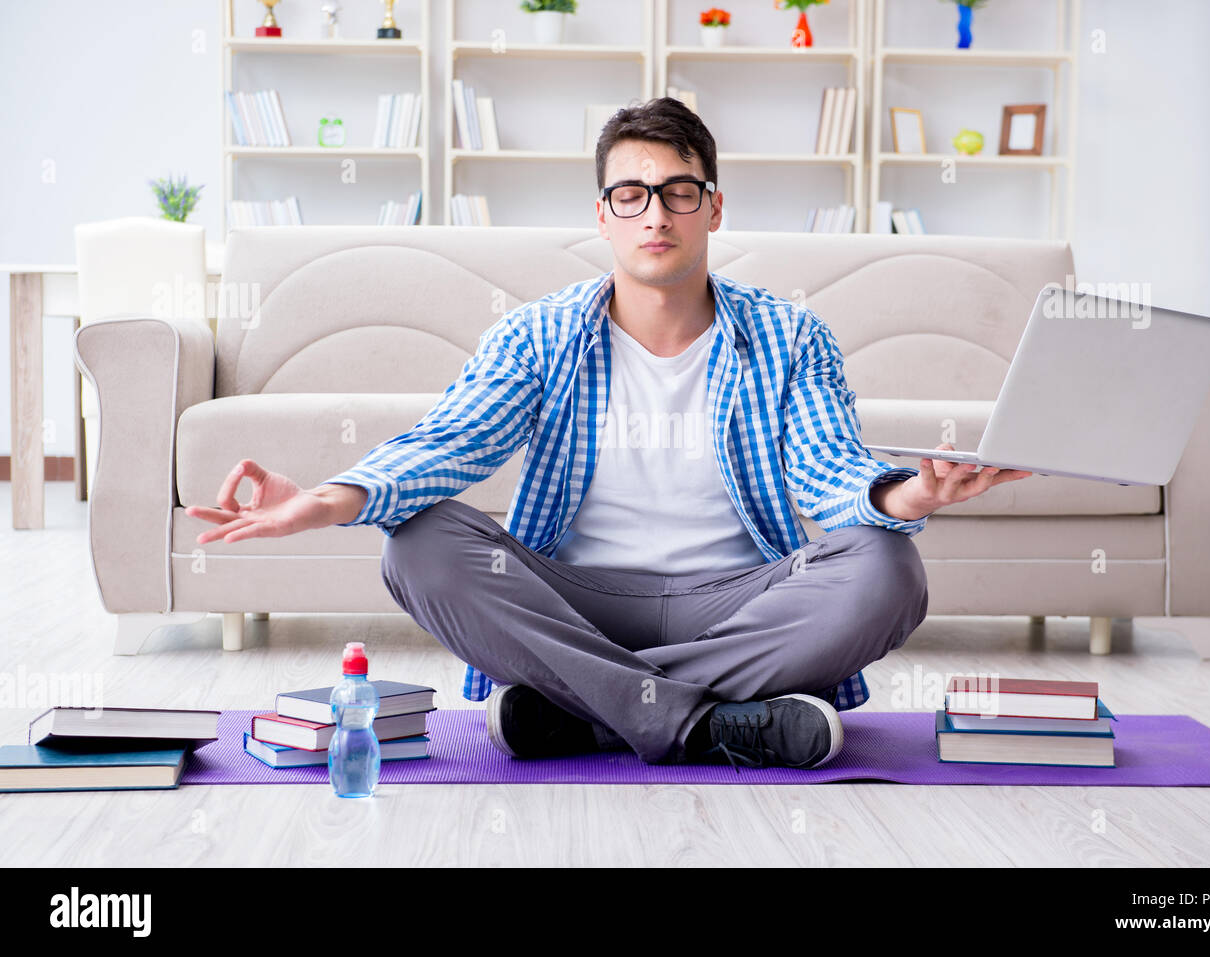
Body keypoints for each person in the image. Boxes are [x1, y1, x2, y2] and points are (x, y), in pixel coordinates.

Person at [187, 97, 1031, 772]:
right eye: (632, 194)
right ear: (604, 214)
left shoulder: (789, 335)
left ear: (712, 208)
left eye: (678, 190)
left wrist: (910, 492)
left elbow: (828, 470)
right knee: (416, 543)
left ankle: (592, 711)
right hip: (574, 600)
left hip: (737, 602)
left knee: (887, 564)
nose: (654, 212)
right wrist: (331, 500)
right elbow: (450, 442)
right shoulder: (539, 334)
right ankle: (714, 725)